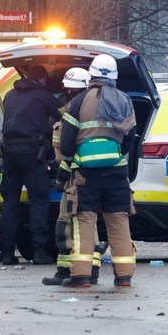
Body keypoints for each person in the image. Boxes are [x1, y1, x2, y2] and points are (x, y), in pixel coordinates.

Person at [58, 54, 137, 289]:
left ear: (91, 74)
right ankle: (124, 276)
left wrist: (69, 163)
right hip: (116, 172)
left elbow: (66, 141)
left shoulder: (79, 101)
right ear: (114, 76)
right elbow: (130, 137)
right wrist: (116, 154)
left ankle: (81, 277)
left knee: (84, 221)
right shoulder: (124, 100)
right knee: (119, 221)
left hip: (86, 173)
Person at [0, 63, 62, 265]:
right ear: (42, 80)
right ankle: (39, 251)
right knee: (39, 201)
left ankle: (7, 253)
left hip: (9, 153)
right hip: (33, 154)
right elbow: (64, 116)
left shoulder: (9, 95)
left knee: (10, 203)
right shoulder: (43, 95)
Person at [43, 67, 100, 286]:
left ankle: (68, 271)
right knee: (86, 222)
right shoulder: (94, 109)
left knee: (67, 222)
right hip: (87, 173)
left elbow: (66, 147)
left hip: (74, 175)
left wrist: (62, 174)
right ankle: (88, 269)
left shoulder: (72, 112)